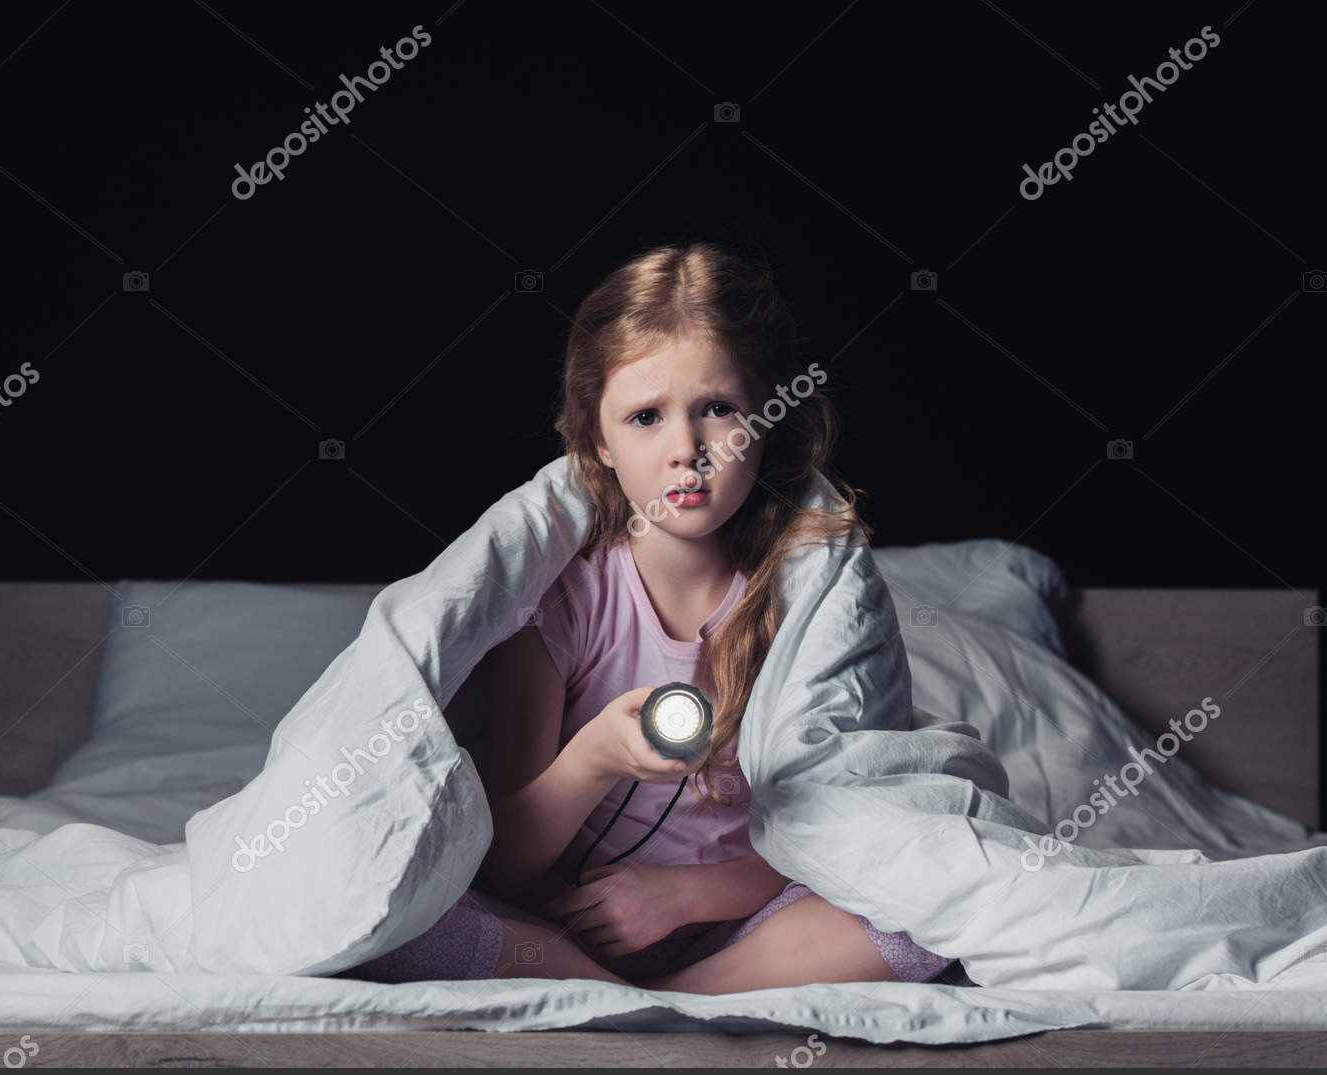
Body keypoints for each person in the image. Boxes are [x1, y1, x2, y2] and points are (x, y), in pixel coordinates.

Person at [349, 242, 952, 993]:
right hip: (564, 926)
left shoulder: (806, 591)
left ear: (766, 420)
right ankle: (597, 985)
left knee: (931, 900)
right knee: (382, 906)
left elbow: (850, 828)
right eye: (645, 417)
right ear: (597, 440)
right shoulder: (560, 601)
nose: (686, 452)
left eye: (719, 410)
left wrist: (691, 895)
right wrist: (593, 759)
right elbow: (502, 861)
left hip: (749, 923)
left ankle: (673, 1002)